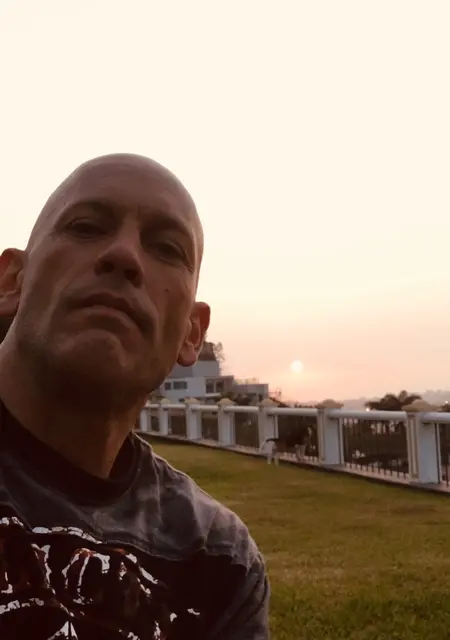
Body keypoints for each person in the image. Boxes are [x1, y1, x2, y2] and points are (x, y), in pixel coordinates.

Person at [0, 154, 270, 639]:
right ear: (11, 281)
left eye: (166, 248)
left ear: (192, 332)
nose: (124, 255)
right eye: (86, 227)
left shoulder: (216, 559)